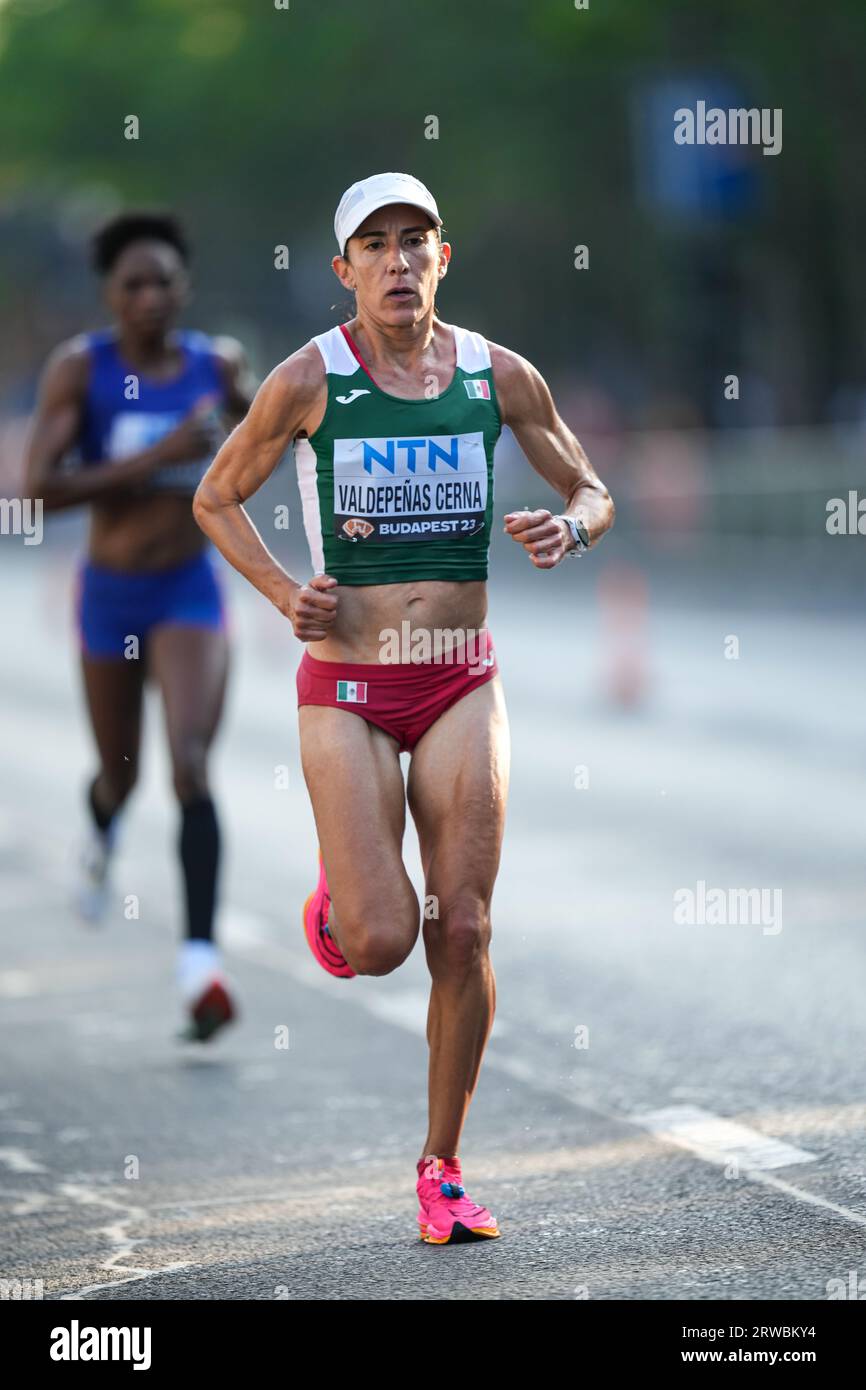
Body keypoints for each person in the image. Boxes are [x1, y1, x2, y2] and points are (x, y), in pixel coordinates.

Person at [193, 173, 614, 1239]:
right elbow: (216, 495)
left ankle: (442, 1168)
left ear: (441, 258)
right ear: (344, 271)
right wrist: (285, 593)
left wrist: (573, 527)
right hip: (347, 686)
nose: (397, 260)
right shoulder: (308, 379)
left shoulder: (496, 375)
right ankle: (339, 904)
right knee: (382, 939)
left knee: (462, 927)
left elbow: (590, 486)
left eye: (414, 240)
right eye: (374, 245)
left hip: (459, 677)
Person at [25, 210, 256, 1042]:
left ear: (184, 288)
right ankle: (102, 826)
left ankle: (201, 967)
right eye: (134, 284)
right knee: (120, 775)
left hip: (188, 589)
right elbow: (38, 490)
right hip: (110, 593)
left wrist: (251, 415)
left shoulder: (213, 365)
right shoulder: (81, 370)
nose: (151, 296)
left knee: (190, 765)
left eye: (164, 281)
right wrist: (158, 457)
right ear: (110, 295)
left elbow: (278, 432)